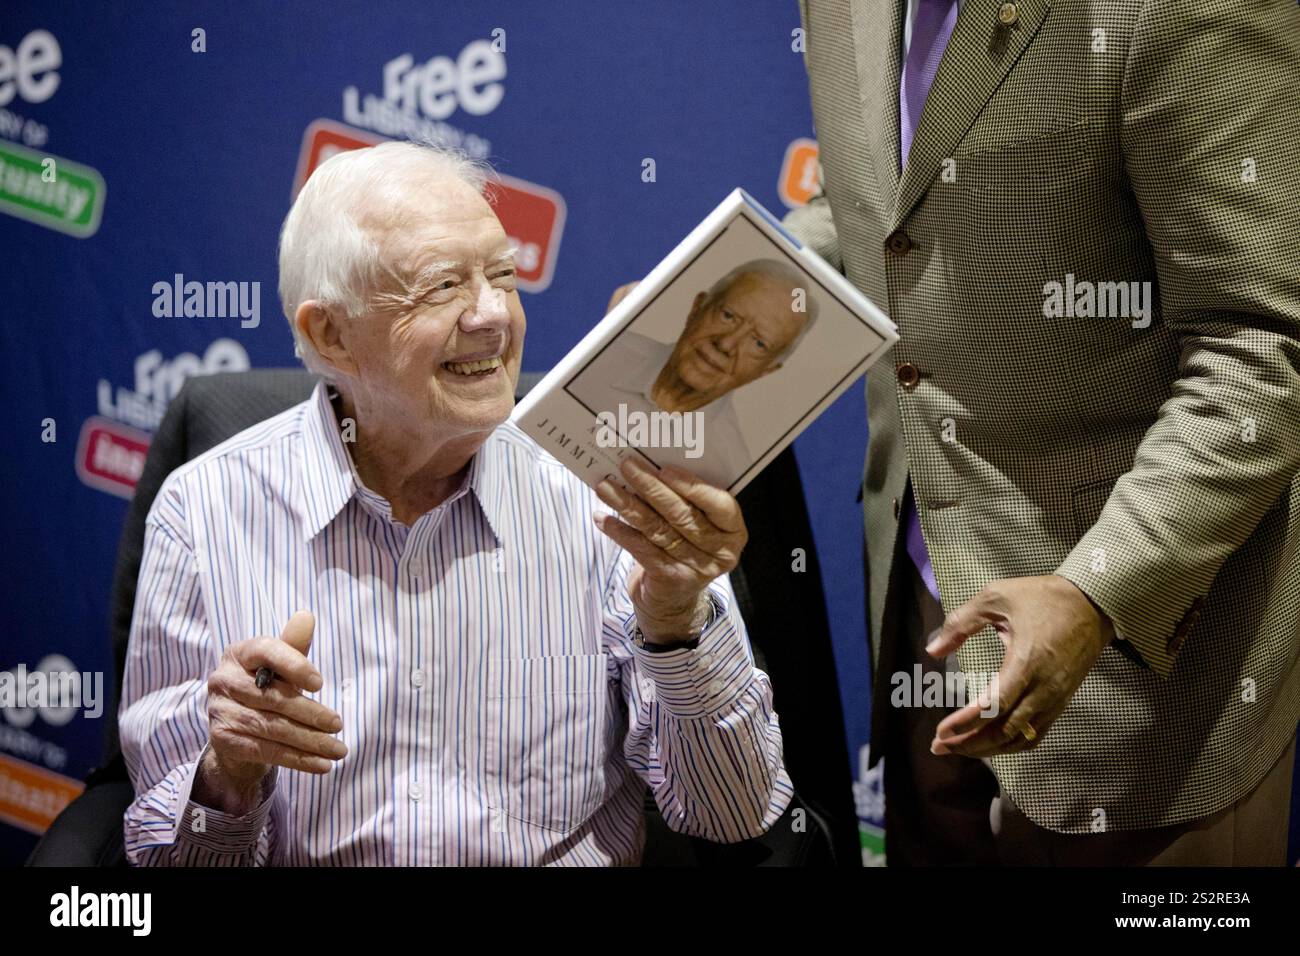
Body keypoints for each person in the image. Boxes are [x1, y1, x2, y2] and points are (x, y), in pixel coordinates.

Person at [119, 141, 793, 866]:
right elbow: (164, 866)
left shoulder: (609, 494)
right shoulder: (205, 510)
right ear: (330, 333)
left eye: (504, 276)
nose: (494, 316)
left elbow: (734, 816)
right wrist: (228, 777)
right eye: (442, 287)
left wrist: (675, 621)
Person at [781, 0, 1300, 864]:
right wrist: (738, 288)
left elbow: (1263, 345)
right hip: (920, 611)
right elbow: (880, 191)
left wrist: (1098, 594)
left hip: (1153, 674)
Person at [580, 260, 815, 484]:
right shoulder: (605, 354)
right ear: (697, 307)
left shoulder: (729, 469)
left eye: (758, 343)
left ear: (766, 370)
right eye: (728, 315)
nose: (726, 344)